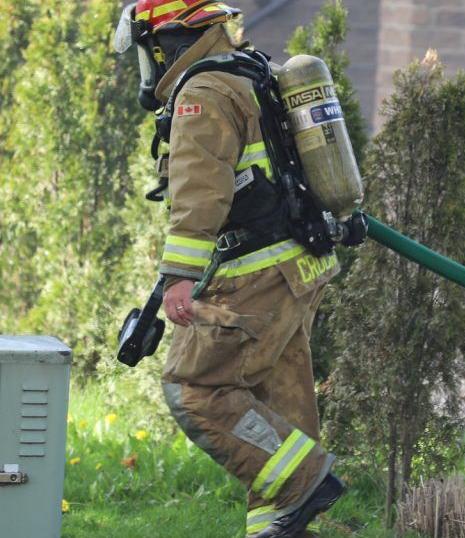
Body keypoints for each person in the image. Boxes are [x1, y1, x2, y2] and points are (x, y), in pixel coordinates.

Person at [114, 1, 364, 536]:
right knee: (281, 402)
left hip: (256, 271)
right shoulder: (252, 70)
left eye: (148, 51)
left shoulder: (202, 94)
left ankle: (302, 481)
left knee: (194, 386)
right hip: (299, 266)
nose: (148, 66)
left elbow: (200, 193)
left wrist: (181, 277)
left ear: (169, 43)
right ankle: (276, 525)